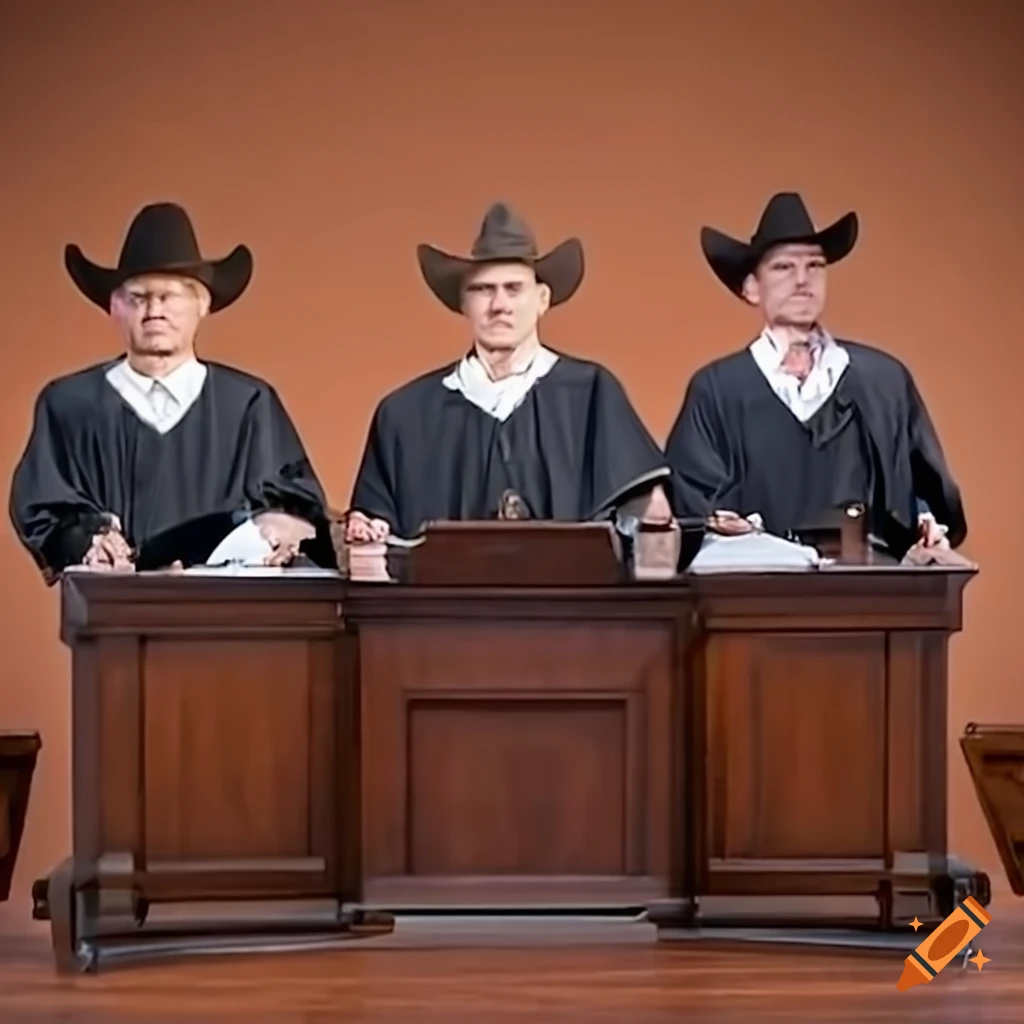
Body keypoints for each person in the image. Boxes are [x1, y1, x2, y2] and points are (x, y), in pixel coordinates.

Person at [9, 202, 334, 582]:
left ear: (203, 304)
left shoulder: (247, 405)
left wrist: (282, 530)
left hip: (231, 617)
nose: (154, 310)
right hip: (111, 619)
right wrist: (88, 541)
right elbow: (43, 507)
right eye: (138, 297)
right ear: (114, 307)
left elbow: (297, 511)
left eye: (171, 296)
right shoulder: (70, 406)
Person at [345, 202, 672, 543]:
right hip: (444, 597)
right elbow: (373, 527)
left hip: (569, 595)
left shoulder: (591, 394)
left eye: (514, 288)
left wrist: (651, 515)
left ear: (542, 299)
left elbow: (647, 518)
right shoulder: (405, 414)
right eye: (483, 289)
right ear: (463, 303)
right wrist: (365, 531)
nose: (499, 305)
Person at [663, 192, 965, 558]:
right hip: (752, 598)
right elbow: (689, 510)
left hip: (871, 596)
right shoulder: (718, 390)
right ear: (751, 288)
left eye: (815, 266)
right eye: (783, 268)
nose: (802, 280)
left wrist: (927, 523)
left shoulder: (883, 382)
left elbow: (922, 494)